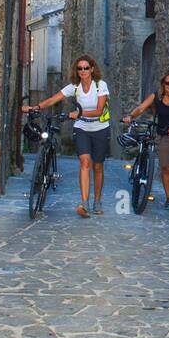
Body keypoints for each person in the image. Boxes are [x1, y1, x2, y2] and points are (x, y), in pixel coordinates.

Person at [24, 54, 109, 217]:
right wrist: (35, 107)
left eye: (86, 68)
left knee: (98, 166)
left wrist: (78, 113)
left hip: (100, 128)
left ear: (92, 69)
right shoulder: (74, 87)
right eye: (79, 68)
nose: (83, 71)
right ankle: (84, 203)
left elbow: (99, 110)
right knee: (85, 162)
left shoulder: (100, 86)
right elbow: (53, 99)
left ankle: (97, 200)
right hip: (82, 128)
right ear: (76, 71)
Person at [123, 70, 169, 210]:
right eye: (168, 83)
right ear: (163, 84)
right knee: (166, 168)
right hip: (163, 135)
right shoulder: (156, 97)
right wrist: (131, 116)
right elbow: (141, 108)